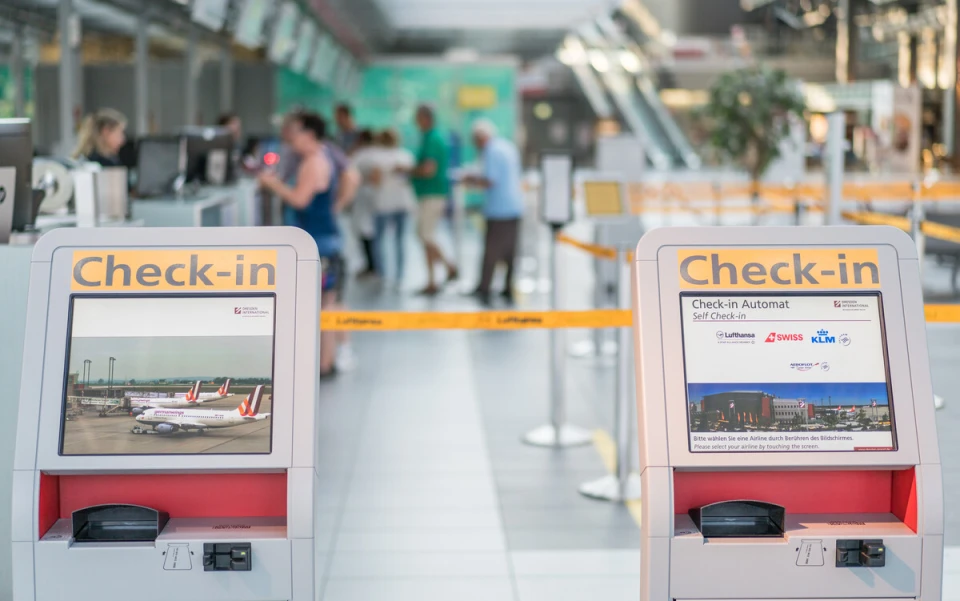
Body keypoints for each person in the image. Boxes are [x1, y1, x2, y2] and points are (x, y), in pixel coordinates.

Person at [257, 111, 360, 379]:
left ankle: (326, 363)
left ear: (309, 134)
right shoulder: (320, 157)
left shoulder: (313, 162)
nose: (291, 137)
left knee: (326, 303)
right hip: (323, 239)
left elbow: (300, 199)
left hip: (319, 243)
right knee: (326, 302)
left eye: (296, 131)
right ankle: (326, 361)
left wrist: (273, 185)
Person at [461, 119, 525, 306]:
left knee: (492, 250)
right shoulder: (507, 147)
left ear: (481, 138)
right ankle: (507, 287)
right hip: (514, 206)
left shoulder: (491, 151)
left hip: (499, 209)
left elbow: (490, 179)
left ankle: (485, 287)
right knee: (510, 251)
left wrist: (470, 181)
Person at [409, 104, 457, 295]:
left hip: (433, 194)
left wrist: (409, 171)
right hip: (427, 194)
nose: (415, 122)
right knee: (423, 237)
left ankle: (449, 267)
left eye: (418, 118)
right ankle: (431, 280)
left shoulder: (433, 139)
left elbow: (429, 169)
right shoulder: (428, 138)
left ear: (425, 118)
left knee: (426, 236)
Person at [372, 129, 416, 287]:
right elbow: (410, 179)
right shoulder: (406, 156)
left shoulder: (377, 157)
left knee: (380, 240)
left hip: (383, 203)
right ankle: (399, 275)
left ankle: (382, 273)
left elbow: (375, 180)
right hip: (403, 202)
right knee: (400, 240)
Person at [350, 129, 381, 278]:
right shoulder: (377, 153)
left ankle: (371, 265)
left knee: (364, 230)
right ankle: (375, 264)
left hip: (364, 194)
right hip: (377, 196)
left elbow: (350, 172)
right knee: (372, 230)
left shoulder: (361, 155)